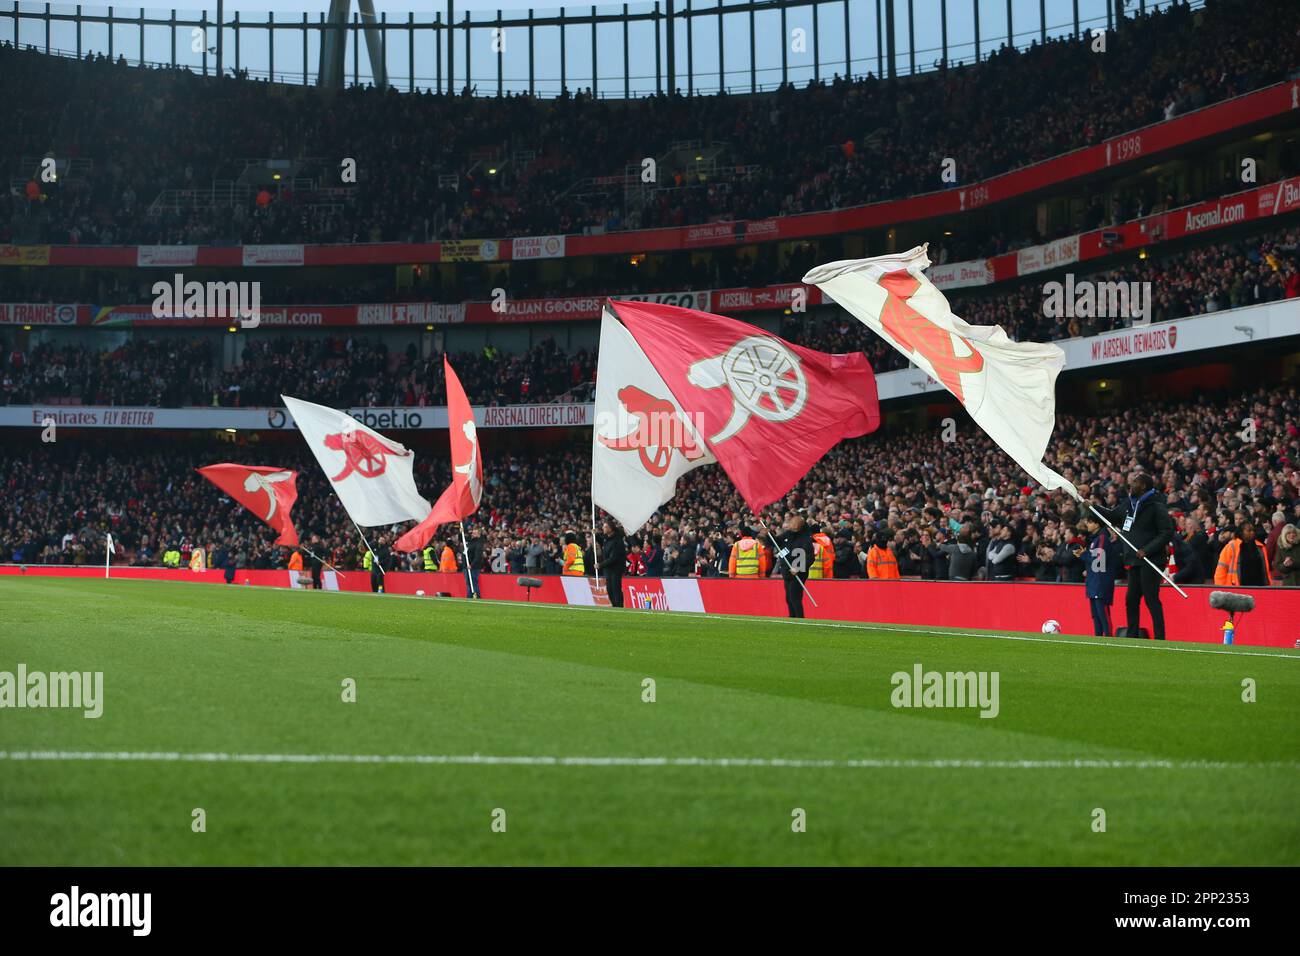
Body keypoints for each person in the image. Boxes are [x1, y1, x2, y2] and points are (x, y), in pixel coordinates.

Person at [1090, 472, 1175, 640]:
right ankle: (1132, 635)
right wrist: (1092, 507)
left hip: (1150, 560)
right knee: (1131, 600)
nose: (1131, 485)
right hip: (1134, 560)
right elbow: (1112, 516)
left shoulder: (1156, 506)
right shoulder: (1129, 503)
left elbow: (1167, 533)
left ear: (1143, 486)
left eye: (1135, 482)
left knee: (1151, 599)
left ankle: (1160, 637)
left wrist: (1147, 550)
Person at [1079, 516, 1120, 636]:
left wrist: (1083, 554)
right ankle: (1097, 639)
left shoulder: (1102, 538)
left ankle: (1108, 638)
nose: (1087, 525)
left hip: (1101, 582)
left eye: (1090, 522)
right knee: (1095, 615)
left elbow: (1099, 559)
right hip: (1093, 582)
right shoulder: (1094, 539)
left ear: (1097, 524)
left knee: (1103, 613)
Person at [773, 514, 813, 618]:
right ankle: (792, 617)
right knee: (788, 598)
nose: (790, 524)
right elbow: (776, 541)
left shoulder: (805, 539)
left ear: (799, 526)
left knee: (795, 598)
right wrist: (769, 534)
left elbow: (810, 557)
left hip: (798, 573)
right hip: (787, 571)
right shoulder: (788, 534)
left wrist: (798, 568)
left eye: (793, 523)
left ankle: (799, 618)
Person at [597, 520, 626, 606]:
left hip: (616, 569)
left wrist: (600, 565)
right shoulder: (607, 539)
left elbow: (614, 558)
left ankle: (619, 607)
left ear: (611, 529)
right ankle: (614, 606)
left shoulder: (617, 540)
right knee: (610, 590)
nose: (603, 528)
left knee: (616, 589)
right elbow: (602, 541)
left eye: (605, 527)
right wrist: (596, 535)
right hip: (608, 569)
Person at [463, 525, 485, 598]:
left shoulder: (479, 543)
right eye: (473, 533)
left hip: (473, 567)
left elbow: (478, 556)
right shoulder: (471, 542)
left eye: (475, 533)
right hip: (467, 565)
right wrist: (462, 531)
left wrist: (472, 565)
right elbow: (462, 537)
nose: (472, 534)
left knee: (473, 582)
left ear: (478, 534)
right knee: (469, 583)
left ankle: (476, 596)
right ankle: (469, 596)